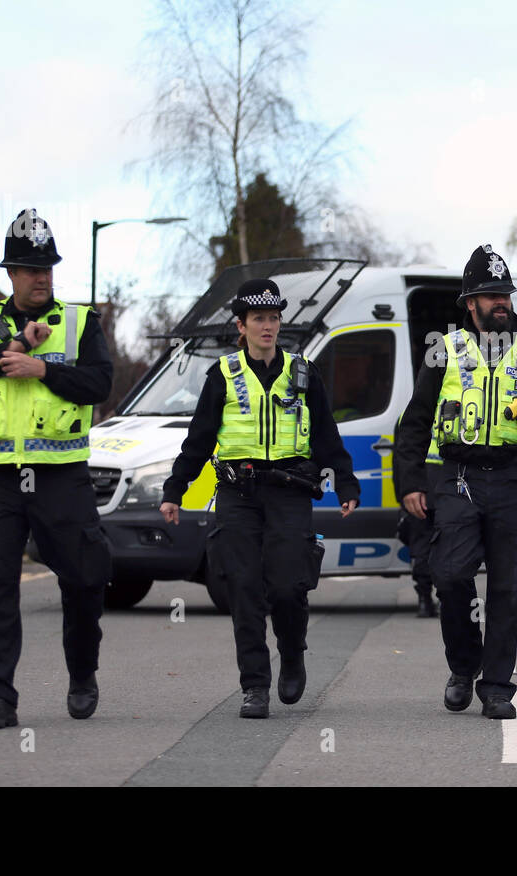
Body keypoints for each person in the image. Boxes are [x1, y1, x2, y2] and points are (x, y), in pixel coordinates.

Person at [396, 245, 517, 719]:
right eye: (490, 295)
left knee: (510, 586)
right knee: (450, 575)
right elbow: (416, 423)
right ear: (470, 303)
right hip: (457, 477)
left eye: (504, 294)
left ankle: (497, 685)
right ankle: (463, 667)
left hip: (514, 480)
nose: (500, 302)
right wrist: (411, 482)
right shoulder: (445, 351)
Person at [159, 279, 360, 719]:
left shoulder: (303, 372)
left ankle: (291, 654)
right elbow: (198, 440)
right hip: (239, 493)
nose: (267, 327)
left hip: (290, 491)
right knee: (244, 589)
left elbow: (326, 434)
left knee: (288, 587)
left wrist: (346, 483)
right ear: (241, 326)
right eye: (258, 319)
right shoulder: (224, 375)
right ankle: (254, 685)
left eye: (273, 318)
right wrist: (174, 490)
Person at [0, 209, 114, 730]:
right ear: (10, 274)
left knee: (86, 581)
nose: (41, 277)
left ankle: (82, 674)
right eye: (29, 268)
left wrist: (42, 367)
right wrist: (17, 346)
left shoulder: (82, 322)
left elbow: (98, 385)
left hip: (61, 474)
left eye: (47, 268)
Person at [392, 411, 439, 618]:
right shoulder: (457, 403)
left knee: (421, 544)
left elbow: (399, 458)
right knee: (449, 546)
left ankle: (424, 600)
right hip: (447, 485)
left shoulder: (406, 415)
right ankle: (446, 599)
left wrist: (402, 494)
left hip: (418, 485)